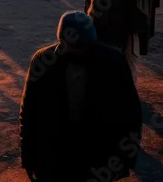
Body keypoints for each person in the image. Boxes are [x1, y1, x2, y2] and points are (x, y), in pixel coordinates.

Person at [19, 11, 141, 182]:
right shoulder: (42, 61)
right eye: (74, 46)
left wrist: (125, 159)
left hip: (96, 154)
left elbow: (130, 114)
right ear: (62, 42)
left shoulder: (113, 63)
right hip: (54, 156)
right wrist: (28, 158)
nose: (79, 51)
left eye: (83, 46)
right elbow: (29, 112)